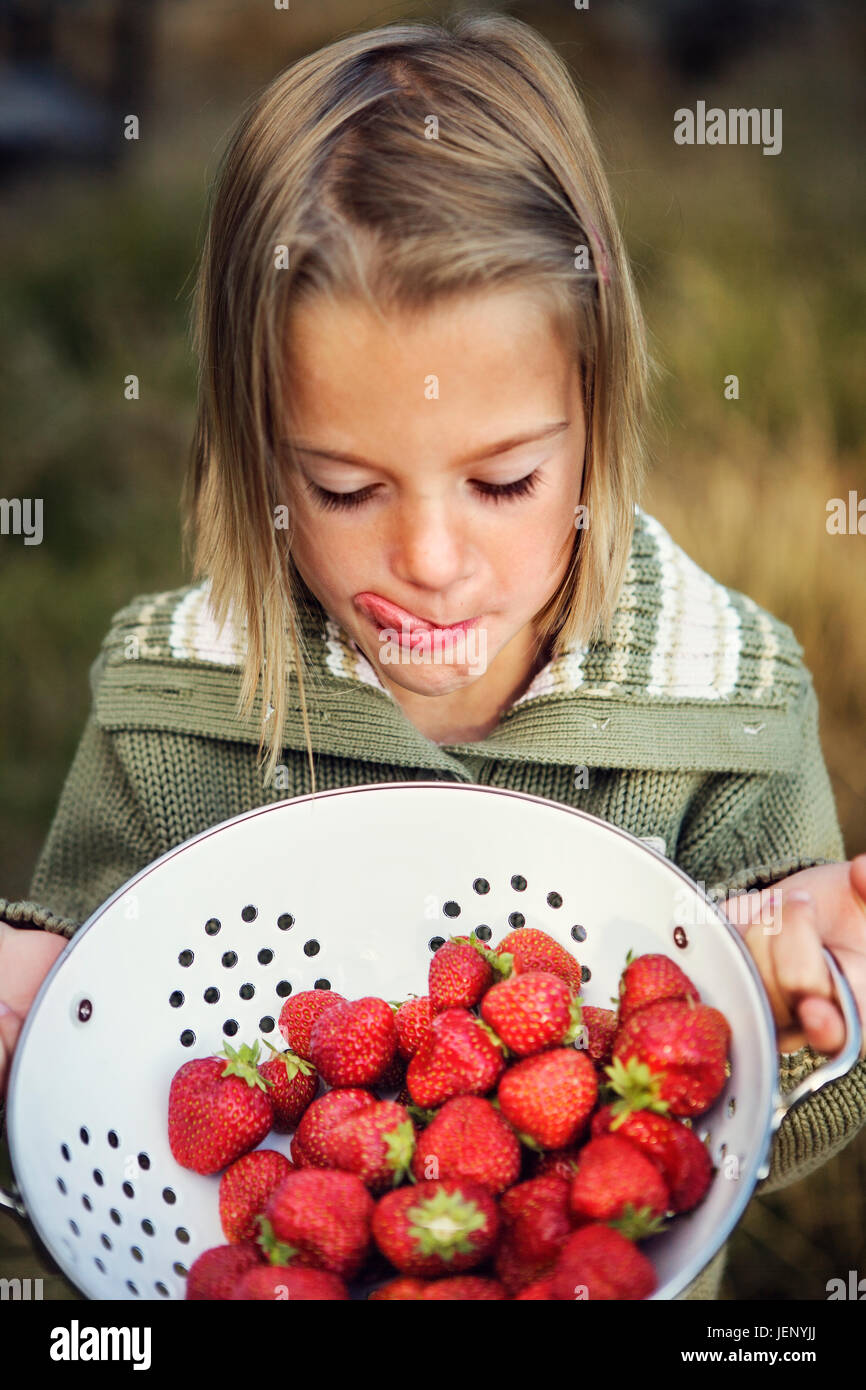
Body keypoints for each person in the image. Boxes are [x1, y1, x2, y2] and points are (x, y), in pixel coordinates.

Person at [1, 13, 864, 1302]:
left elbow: (770, 1132)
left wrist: (810, 1016)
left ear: (598, 414)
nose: (432, 559)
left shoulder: (722, 701)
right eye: (345, 488)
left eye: (507, 480)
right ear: (254, 451)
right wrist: (25, 1016)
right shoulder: (176, 706)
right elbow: (81, 1035)